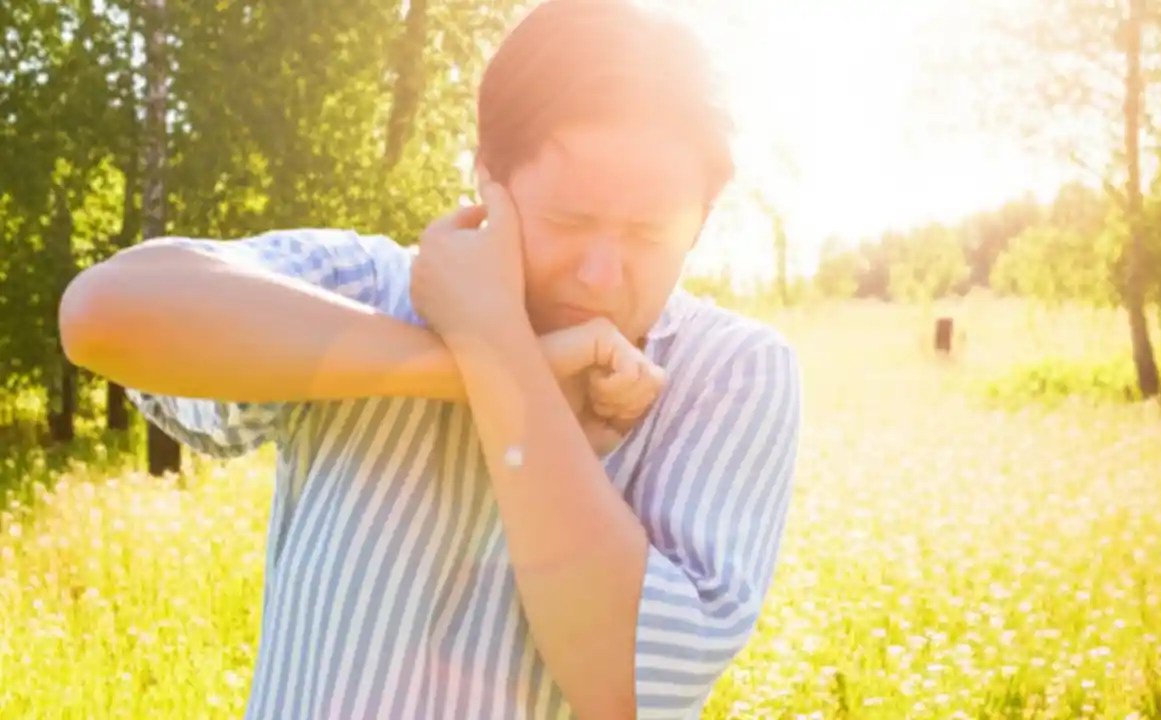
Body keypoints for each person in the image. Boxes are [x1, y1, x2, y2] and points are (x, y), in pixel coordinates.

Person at [58, 0, 802, 717]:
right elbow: (102, 312)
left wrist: (499, 358)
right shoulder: (369, 290)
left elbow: (625, 688)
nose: (602, 274)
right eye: (569, 220)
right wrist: (483, 363)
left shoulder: (728, 375)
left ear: (702, 221)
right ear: (486, 178)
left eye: (647, 235)